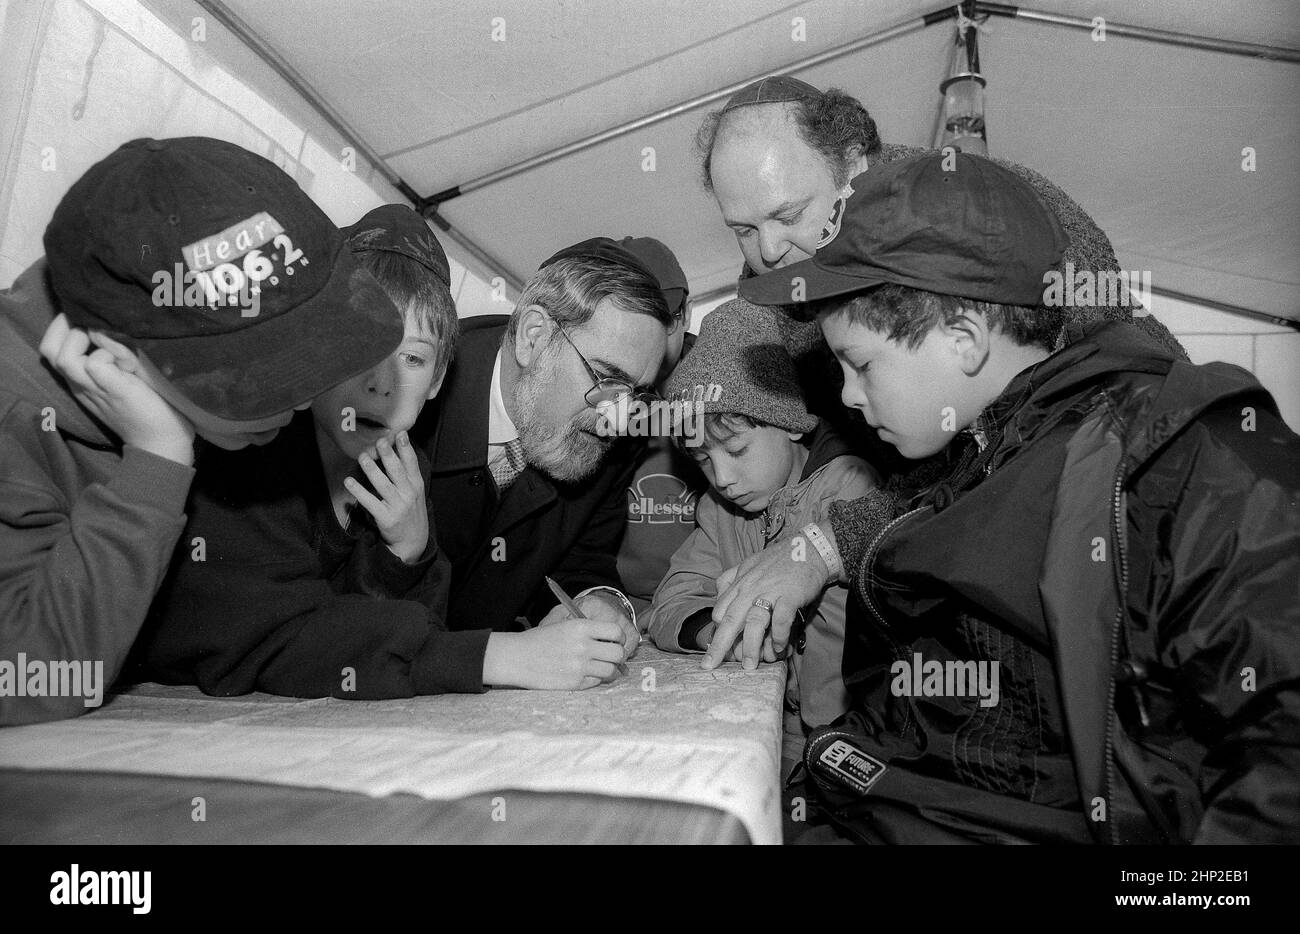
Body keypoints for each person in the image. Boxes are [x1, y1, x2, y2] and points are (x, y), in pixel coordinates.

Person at [737, 151, 1299, 843]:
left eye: (860, 365)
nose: (848, 398)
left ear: (964, 338)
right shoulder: (977, 458)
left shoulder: (1183, 454)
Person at [128, 205, 630, 697]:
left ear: (436, 382)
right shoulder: (253, 449)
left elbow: (379, 640)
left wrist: (407, 552)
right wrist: (499, 657)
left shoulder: (403, 470)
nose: (381, 384)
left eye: (412, 358)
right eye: (360, 343)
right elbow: (273, 638)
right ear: (314, 347)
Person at [0, 137, 407, 725]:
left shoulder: (220, 420)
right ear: (115, 354)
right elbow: (27, 678)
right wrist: (156, 459)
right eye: (254, 375)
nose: (298, 402)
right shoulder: (14, 419)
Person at [643, 301, 877, 775]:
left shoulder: (852, 488)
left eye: (736, 449)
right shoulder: (718, 512)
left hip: (861, 735)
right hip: (780, 738)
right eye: (703, 460)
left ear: (791, 423)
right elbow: (671, 601)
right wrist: (718, 631)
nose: (723, 478)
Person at [413, 238, 675, 653]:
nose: (621, 419)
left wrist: (601, 600)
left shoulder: (616, 441)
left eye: (637, 393)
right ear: (533, 337)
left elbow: (584, 560)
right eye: (607, 379)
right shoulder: (409, 400)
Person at [611, 236, 706, 613]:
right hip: (619, 603)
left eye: (662, 321)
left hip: (705, 599)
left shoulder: (724, 392)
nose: (648, 341)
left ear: (685, 313)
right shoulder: (602, 399)